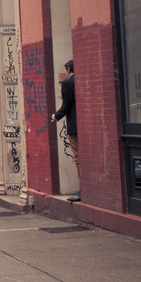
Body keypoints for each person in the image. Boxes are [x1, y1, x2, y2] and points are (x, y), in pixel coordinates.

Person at [51, 59, 79, 198]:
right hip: (84, 126)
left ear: (69, 70)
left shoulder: (67, 84)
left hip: (74, 126)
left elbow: (66, 105)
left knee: (78, 157)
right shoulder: (83, 81)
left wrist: (56, 116)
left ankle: (83, 189)